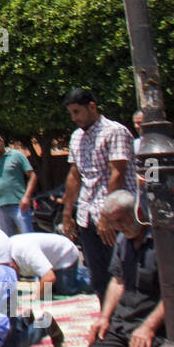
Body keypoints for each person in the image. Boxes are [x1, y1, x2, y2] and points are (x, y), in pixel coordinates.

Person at [61, 88, 137, 307]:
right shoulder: (76, 137)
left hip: (114, 214)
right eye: (71, 114)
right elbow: (75, 175)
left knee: (120, 272)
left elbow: (118, 174)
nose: (74, 118)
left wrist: (107, 215)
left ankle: (127, 317)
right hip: (87, 213)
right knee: (98, 275)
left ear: (92, 107)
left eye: (77, 112)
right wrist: (68, 213)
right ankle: (107, 318)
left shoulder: (115, 132)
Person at [81, 190, 166, 347]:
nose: (118, 227)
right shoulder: (123, 239)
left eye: (121, 220)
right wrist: (104, 317)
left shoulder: (162, 240)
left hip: (156, 324)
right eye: (114, 223)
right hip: (125, 322)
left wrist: (149, 327)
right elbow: (118, 281)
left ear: (138, 212)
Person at [0, 134, 37, 236]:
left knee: (27, 237)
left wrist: (27, 196)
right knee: (7, 240)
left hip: (19, 204)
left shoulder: (16, 155)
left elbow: (32, 176)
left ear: (2, 142)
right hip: (0, 206)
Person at [8, 232, 88, 296]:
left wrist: (35, 296)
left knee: (65, 289)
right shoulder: (3, 253)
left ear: (12, 265)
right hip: (48, 259)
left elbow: (49, 277)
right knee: (49, 289)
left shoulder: (26, 252)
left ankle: (91, 276)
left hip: (65, 253)